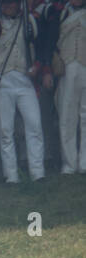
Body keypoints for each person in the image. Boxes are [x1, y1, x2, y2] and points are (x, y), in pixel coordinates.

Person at [0, 0, 49, 181]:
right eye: (6, 3)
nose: (9, 5)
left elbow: (42, 46)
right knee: (6, 131)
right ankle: (11, 176)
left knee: (34, 126)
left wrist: (38, 65)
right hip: (3, 83)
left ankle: (37, 172)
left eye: (13, 2)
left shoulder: (31, 22)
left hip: (26, 82)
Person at [47, 0, 86, 173]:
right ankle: (69, 163)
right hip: (67, 67)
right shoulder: (59, 13)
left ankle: (84, 162)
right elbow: (50, 40)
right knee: (67, 115)